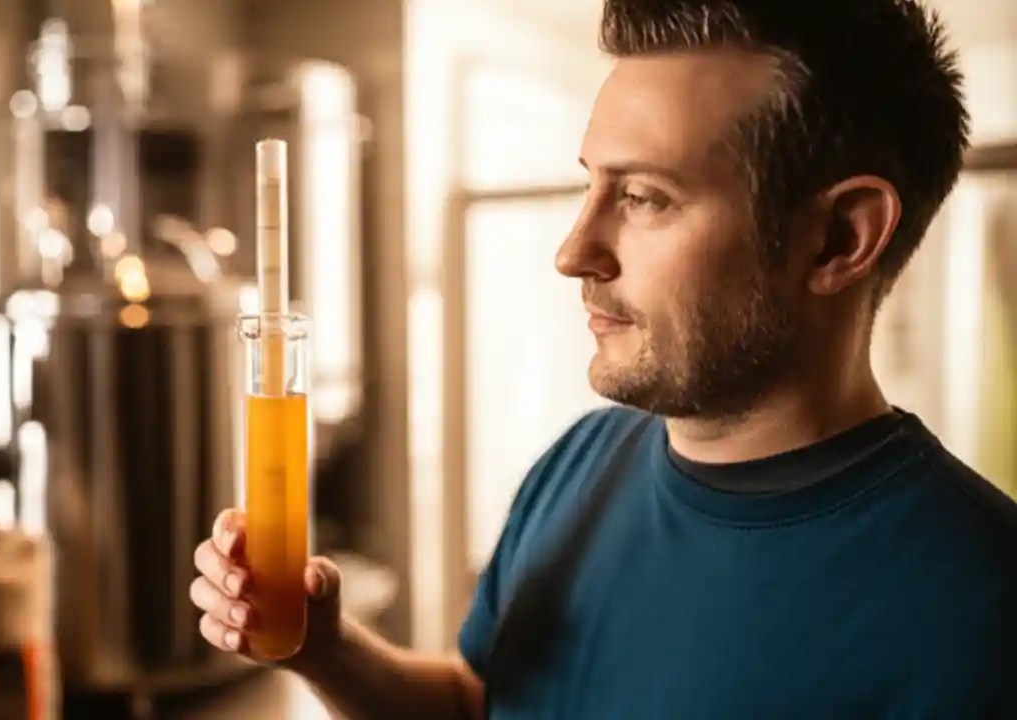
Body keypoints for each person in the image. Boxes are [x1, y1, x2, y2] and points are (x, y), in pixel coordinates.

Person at [191, 0, 1017, 716]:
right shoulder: (580, 464)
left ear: (840, 238)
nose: (574, 250)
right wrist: (325, 649)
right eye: (591, 184)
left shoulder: (979, 614)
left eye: (644, 197)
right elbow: (482, 703)